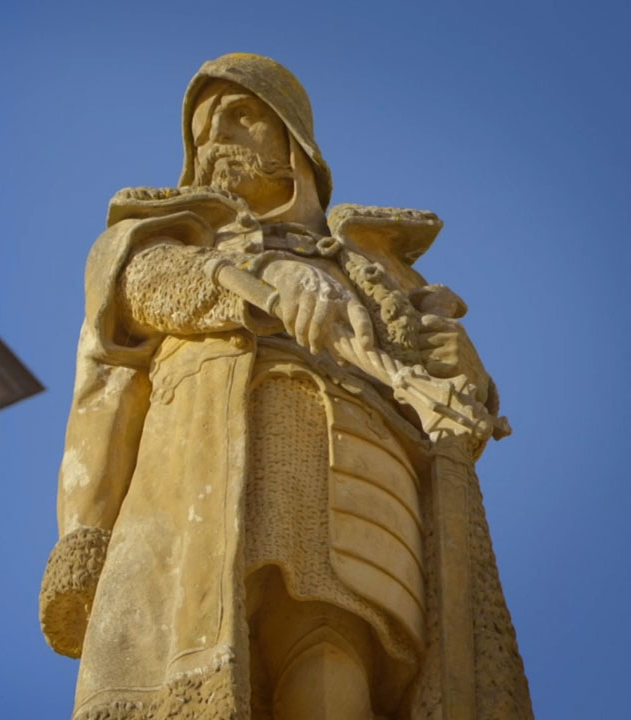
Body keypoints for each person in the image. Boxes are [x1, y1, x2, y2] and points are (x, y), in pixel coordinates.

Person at [39, 53, 531, 720]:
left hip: (364, 482)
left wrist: (460, 364)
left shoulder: (382, 270)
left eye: (243, 117)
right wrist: (264, 279)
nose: (219, 140)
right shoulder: (167, 233)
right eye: (206, 128)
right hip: (206, 470)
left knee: (335, 659)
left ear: (296, 143)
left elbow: (456, 405)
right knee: (199, 663)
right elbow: (142, 287)